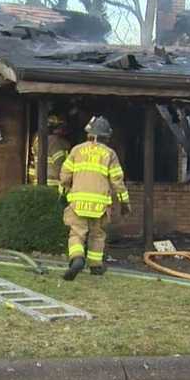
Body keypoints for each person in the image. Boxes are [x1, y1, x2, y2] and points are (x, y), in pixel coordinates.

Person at [59, 116, 130, 280]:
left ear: (89, 133)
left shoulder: (76, 150)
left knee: (76, 233)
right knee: (97, 234)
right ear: (106, 136)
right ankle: (95, 266)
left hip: (77, 202)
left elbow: (64, 177)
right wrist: (125, 202)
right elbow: (117, 181)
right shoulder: (110, 154)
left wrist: (66, 190)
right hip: (100, 205)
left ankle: (77, 259)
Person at [27, 113, 72, 191]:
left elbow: (32, 167)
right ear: (56, 128)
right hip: (53, 187)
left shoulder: (37, 141)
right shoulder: (55, 142)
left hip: (38, 185)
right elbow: (60, 166)